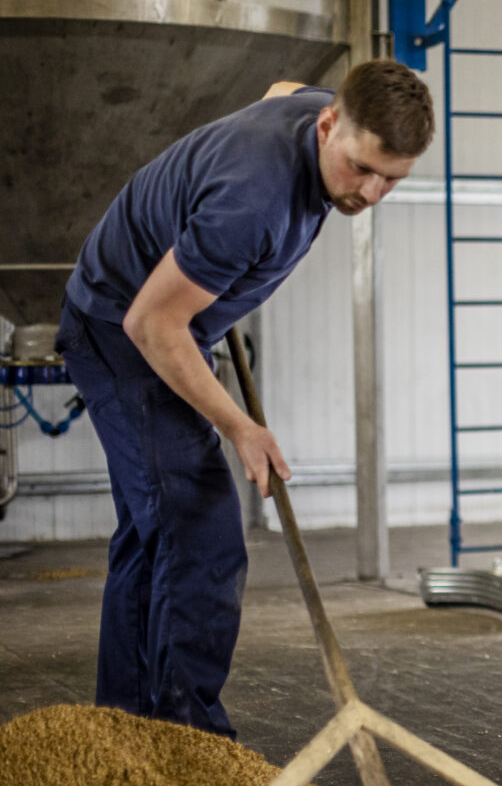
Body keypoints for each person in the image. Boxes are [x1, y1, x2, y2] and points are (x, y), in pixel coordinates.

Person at [54, 60, 434, 739]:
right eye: (359, 169)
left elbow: (278, 91)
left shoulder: (317, 111)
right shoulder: (252, 203)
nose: (371, 192)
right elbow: (152, 325)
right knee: (198, 527)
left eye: (393, 178)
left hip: (161, 318)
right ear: (327, 128)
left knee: (154, 532)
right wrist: (240, 426)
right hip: (121, 327)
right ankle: (190, 743)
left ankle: (123, 731)